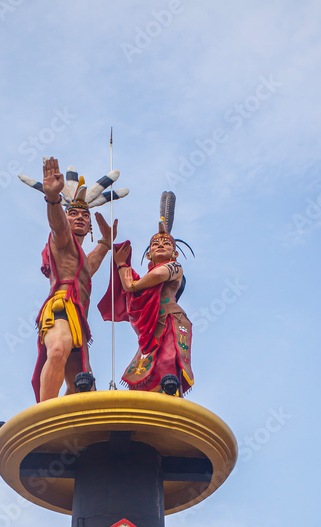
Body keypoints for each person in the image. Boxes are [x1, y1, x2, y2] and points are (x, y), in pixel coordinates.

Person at [18, 157, 128, 402]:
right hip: (61, 307)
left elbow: (93, 263)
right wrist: (53, 200)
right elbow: (57, 226)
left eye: (85, 215)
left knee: (83, 385)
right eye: (73, 213)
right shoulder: (62, 240)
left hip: (78, 318)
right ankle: (45, 415)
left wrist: (107, 243)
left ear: (90, 226)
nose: (80, 217)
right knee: (57, 350)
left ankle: (78, 431)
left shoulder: (83, 260)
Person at [98, 194, 194, 395]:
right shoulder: (147, 280)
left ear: (174, 253)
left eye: (166, 243)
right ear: (149, 254)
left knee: (167, 359)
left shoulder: (173, 268)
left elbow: (137, 285)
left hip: (170, 318)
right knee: (151, 363)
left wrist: (124, 269)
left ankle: (169, 390)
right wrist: (124, 269)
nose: (160, 245)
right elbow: (132, 288)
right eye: (155, 244)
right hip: (154, 324)